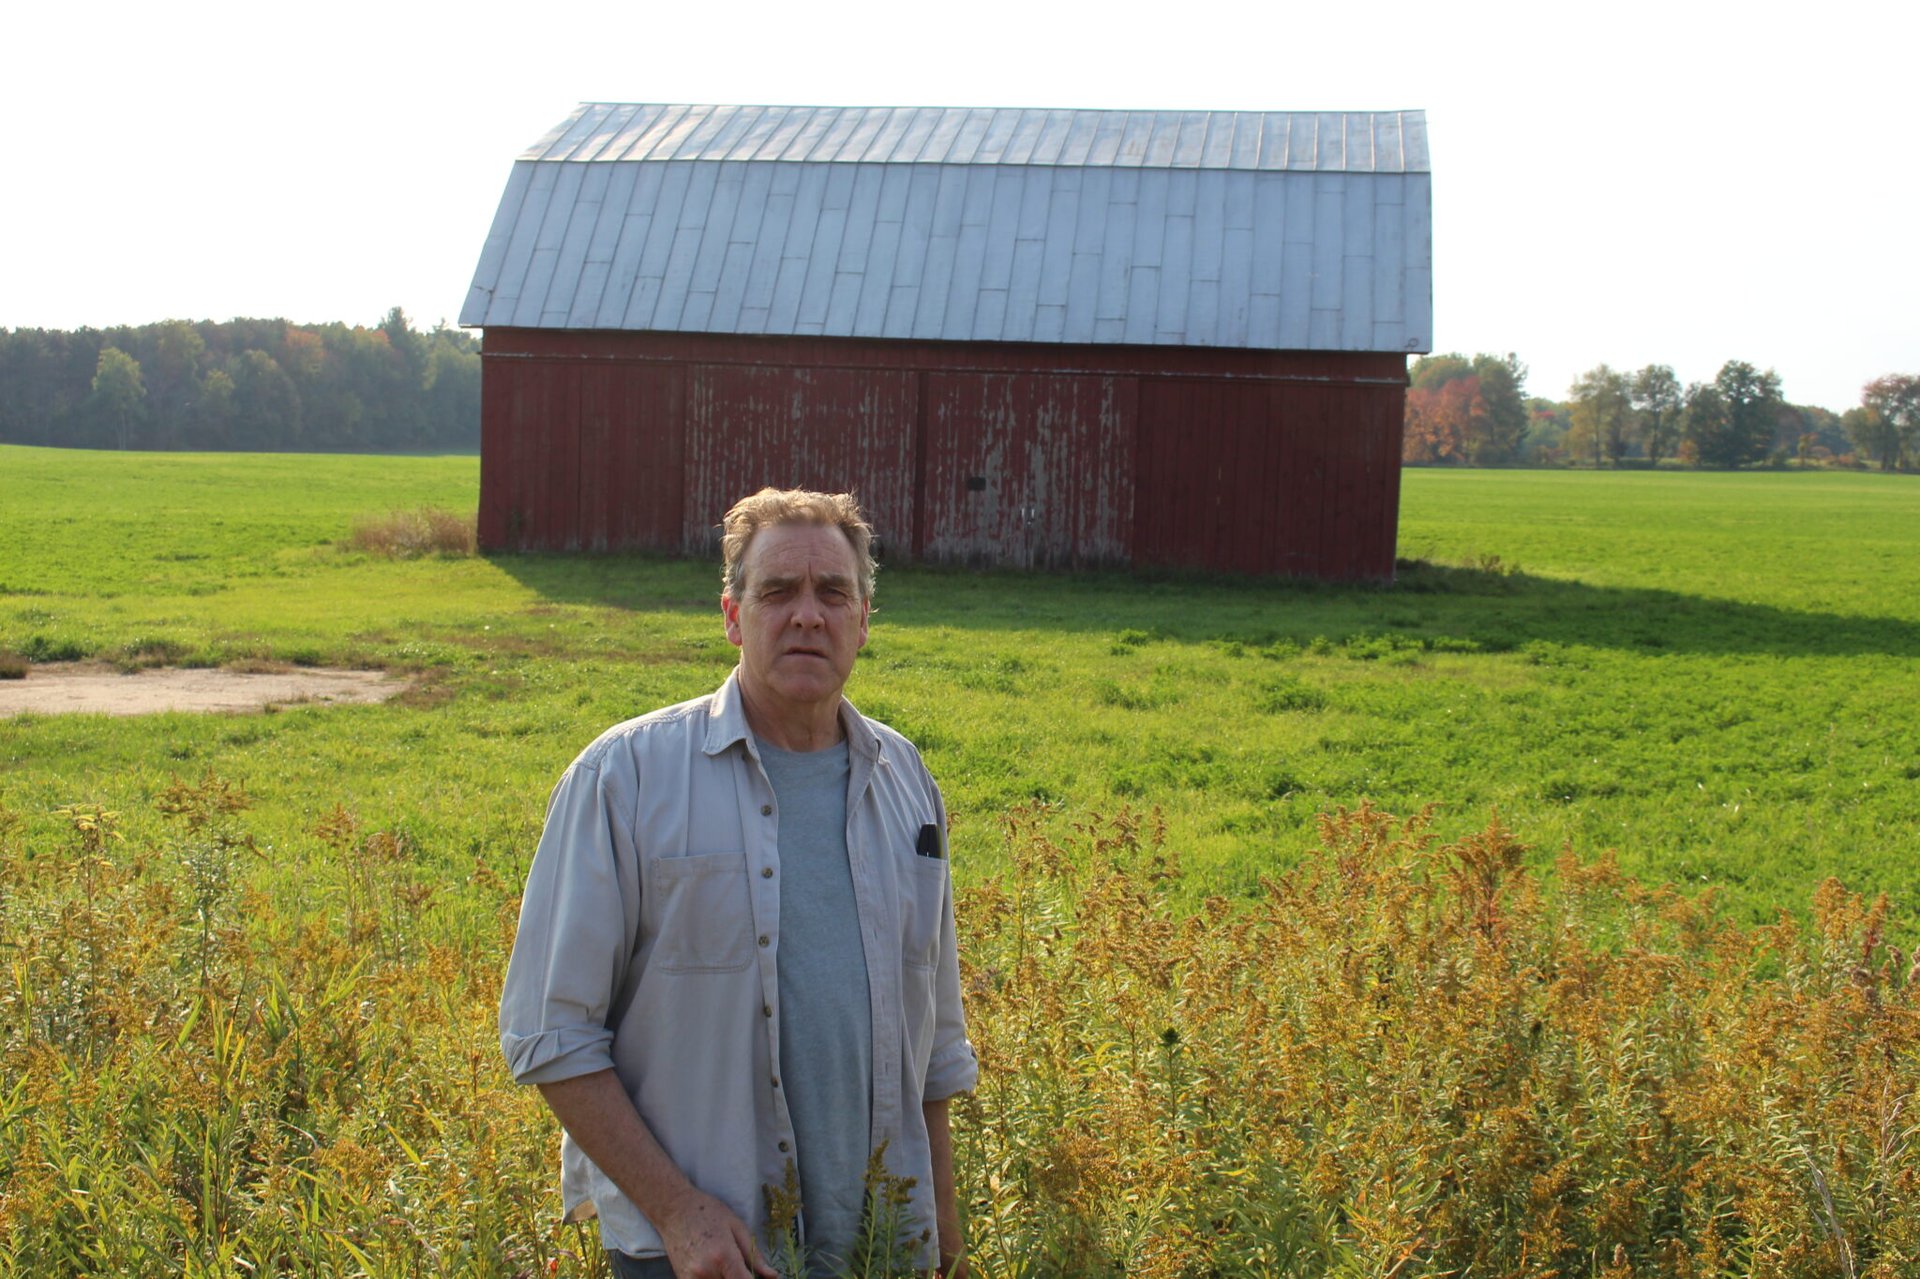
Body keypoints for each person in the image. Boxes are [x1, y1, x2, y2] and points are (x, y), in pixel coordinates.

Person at [499, 488, 976, 1279]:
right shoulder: (625, 778)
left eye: (833, 593)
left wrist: (942, 1237)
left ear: (863, 620)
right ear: (732, 615)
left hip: (878, 1249)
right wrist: (676, 1210)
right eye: (777, 591)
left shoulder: (905, 781)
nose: (807, 615)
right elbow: (549, 1032)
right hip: (702, 1255)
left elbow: (936, 1047)